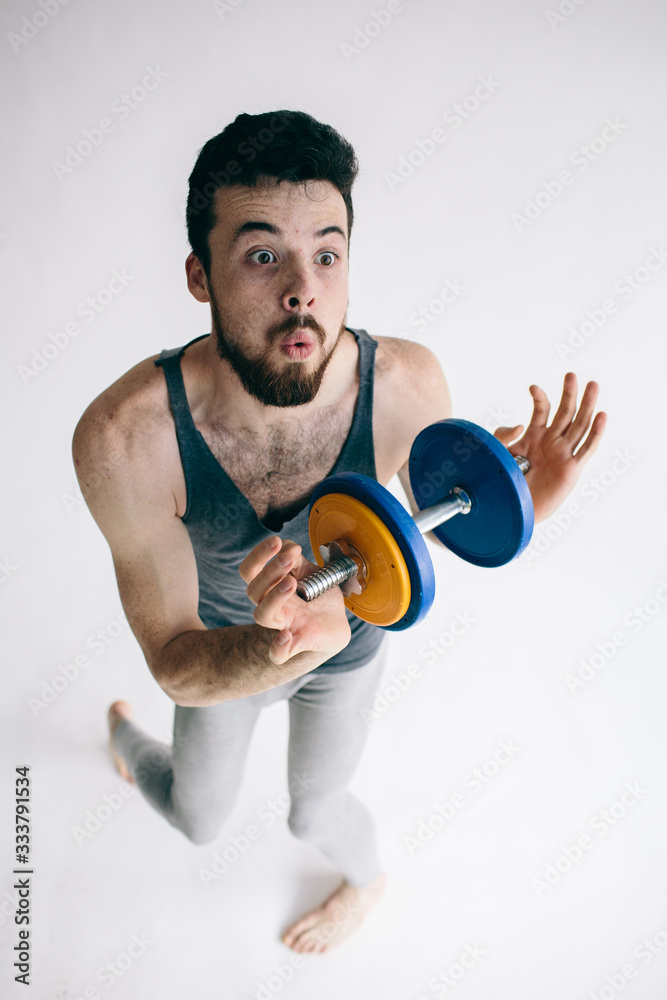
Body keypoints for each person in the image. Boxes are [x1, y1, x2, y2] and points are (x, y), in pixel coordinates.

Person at [71, 109, 607, 954]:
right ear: (198, 275)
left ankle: (366, 882)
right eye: (260, 256)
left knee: (316, 809)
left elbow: (409, 530)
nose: (302, 289)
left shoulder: (406, 385)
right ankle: (124, 739)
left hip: (350, 654)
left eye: (327, 253)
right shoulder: (126, 439)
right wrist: (270, 648)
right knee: (197, 820)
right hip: (227, 656)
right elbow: (175, 659)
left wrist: (514, 505)